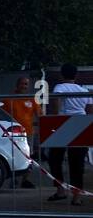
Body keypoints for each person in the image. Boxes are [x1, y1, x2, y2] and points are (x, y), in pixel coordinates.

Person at [47, 63, 87, 205]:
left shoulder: (59, 88)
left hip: (64, 123)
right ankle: (77, 197)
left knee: (55, 159)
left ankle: (60, 190)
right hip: (81, 124)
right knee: (77, 163)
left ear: (61, 75)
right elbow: (90, 109)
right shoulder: (83, 90)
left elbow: (56, 107)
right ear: (76, 75)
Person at [2, 75, 38, 188]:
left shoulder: (32, 99)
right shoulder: (8, 100)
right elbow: (2, 116)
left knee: (29, 156)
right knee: (13, 155)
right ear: (17, 85)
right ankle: (13, 179)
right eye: (22, 83)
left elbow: (39, 114)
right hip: (13, 133)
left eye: (26, 84)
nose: (24, 86)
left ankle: (25, 180)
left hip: (28, 132)